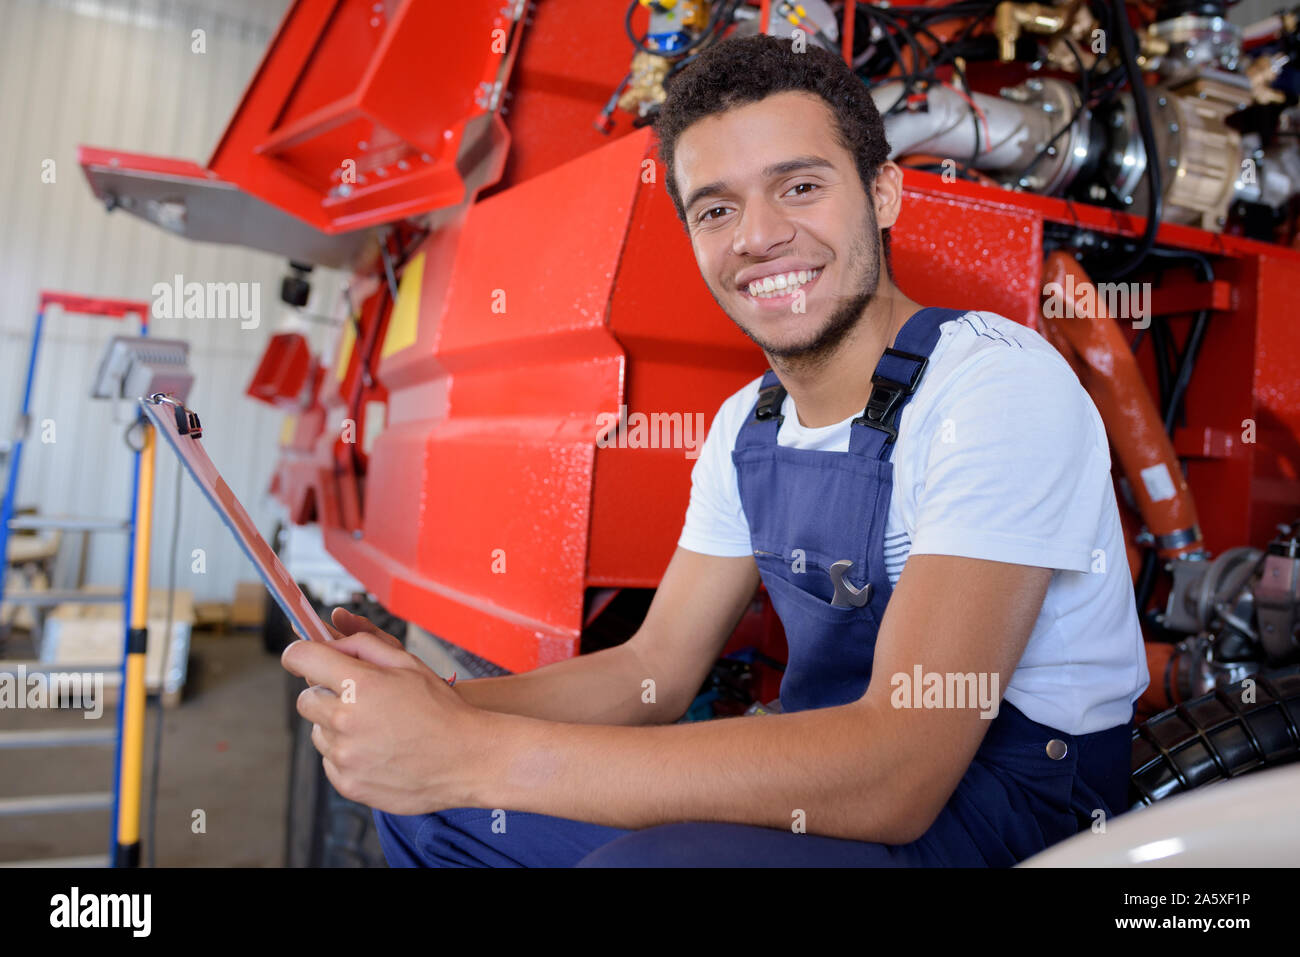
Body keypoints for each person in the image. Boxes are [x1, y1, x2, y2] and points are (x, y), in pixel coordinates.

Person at [281, 33, 1147, 867]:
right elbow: (652, 670)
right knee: (434, 814)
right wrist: (430, 707)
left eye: (800, 186)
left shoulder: (994, 388)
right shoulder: (748, 424)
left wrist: (472, 753)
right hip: (824, 768)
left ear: (883, 193)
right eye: (717, 208)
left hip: (1001, 807)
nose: (757, 236)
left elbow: (898, 767)